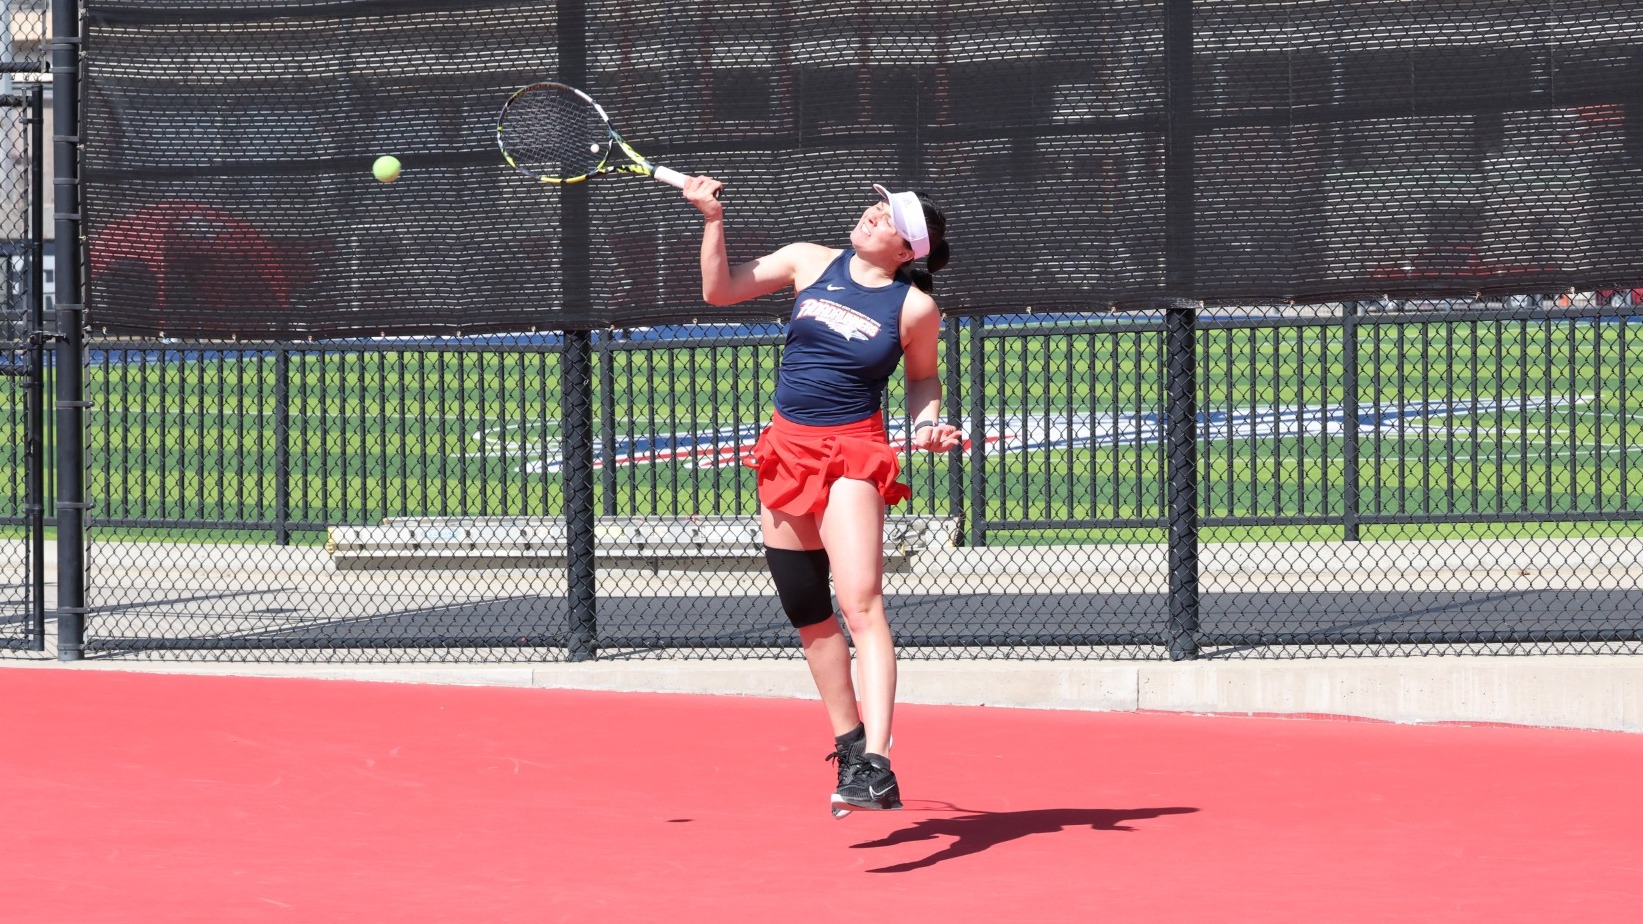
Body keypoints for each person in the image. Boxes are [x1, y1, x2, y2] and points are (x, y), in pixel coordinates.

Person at [682, 175, 961, 817]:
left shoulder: (914, 307)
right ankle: (850, 743)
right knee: (806, 606)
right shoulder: (808, 260)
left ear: (907, 250)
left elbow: (923, 379)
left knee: (860, 603)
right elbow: (719, 290)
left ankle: (878, 765)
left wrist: (926, 427)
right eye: (877, 205)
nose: (873, 213)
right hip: (785, 448)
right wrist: (713, 220)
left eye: (888, 217)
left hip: (852, 456)